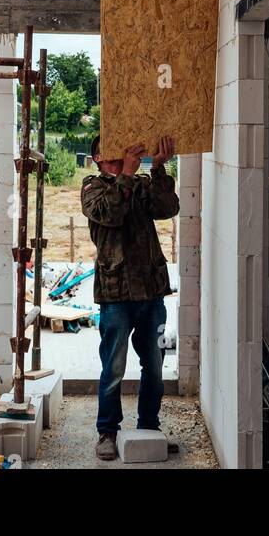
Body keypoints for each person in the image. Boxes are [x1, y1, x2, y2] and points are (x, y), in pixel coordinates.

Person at [81, 133, 179, 461]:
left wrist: (159, 168)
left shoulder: (137, 184)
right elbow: (110, 214)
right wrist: (125, 173)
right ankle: (107, 432)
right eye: (107, 155)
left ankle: (149, 428)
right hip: (115, 293)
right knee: (113, 367)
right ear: (96, 159)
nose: (114, 158)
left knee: (154, 365)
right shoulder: (93, 188)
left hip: (151, 291)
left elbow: (167, 208)